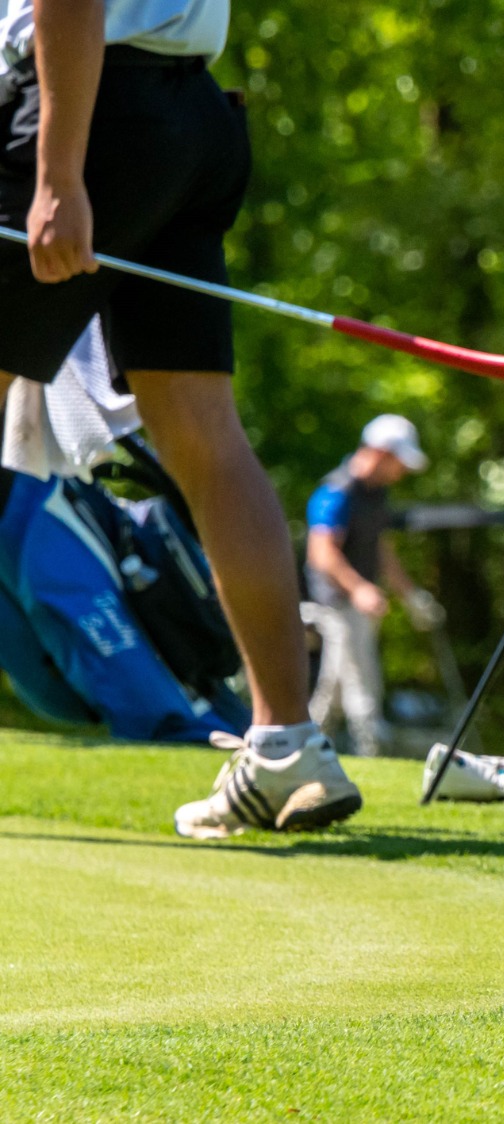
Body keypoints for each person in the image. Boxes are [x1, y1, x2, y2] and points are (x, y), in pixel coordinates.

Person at [0, 0, 361, 836]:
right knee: (205, 437)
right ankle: (286, 747)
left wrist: (58, 175)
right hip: (190, 121)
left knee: (204, 438)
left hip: (85, 114)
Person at [303, 414, 442, 757]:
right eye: (399, 462)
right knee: (362, 678)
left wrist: (412, 596)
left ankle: (303, 745)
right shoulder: (337, 491)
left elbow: (381, 550)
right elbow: (321, 552)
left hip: (358, 604)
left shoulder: (376, 495)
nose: (402, 471)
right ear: (380, 452)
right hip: (334, 604)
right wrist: (359, 589)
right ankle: (373, 749)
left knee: (333, 686)